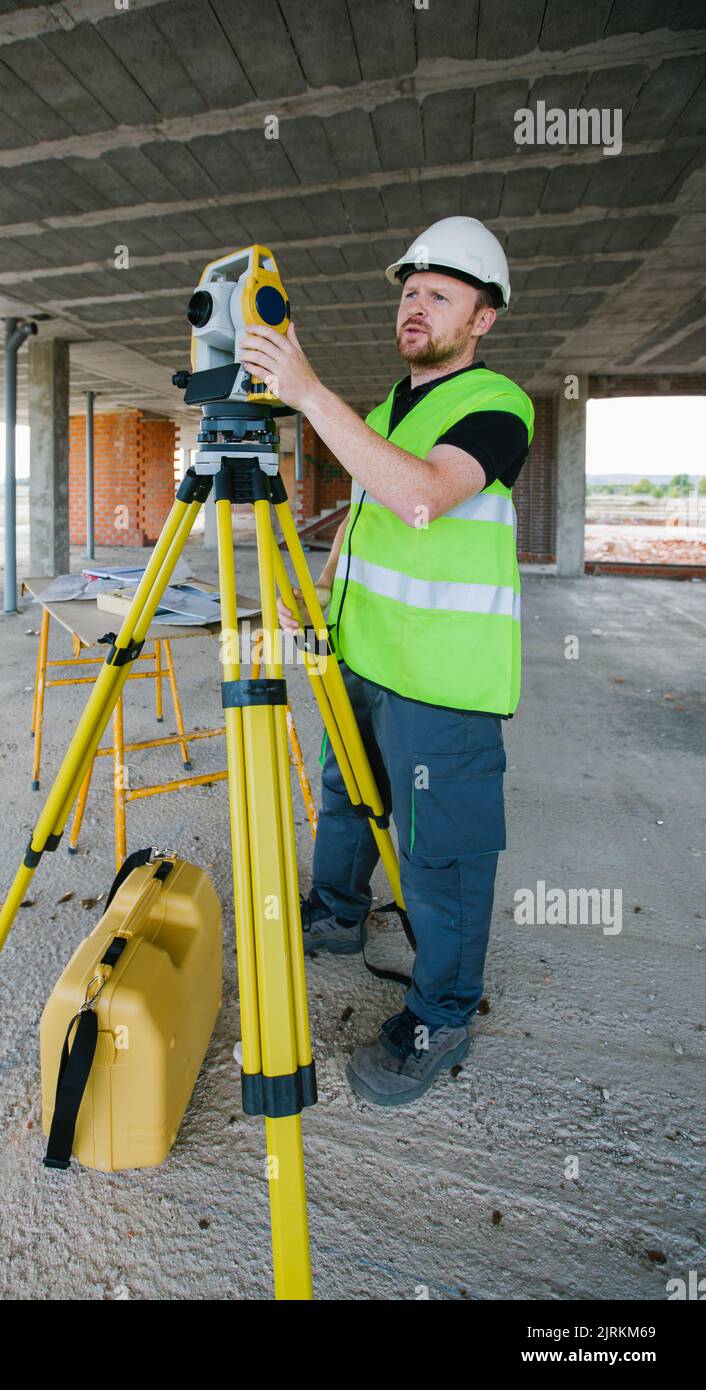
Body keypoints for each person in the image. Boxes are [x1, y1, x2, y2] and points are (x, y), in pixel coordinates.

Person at [239, 216, 534, 1106]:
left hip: (442, 682)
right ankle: (335, 915)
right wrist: (322, 593)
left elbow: (419, 496)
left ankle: (442, 1014)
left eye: (440, 294)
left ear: (482, 319)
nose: (416, 305)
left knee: (440, 855)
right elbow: (365, 524)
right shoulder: (383, 413)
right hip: (361, 662)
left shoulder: (498, 404)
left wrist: (305, 390)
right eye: (410, 291)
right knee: (344, 793)